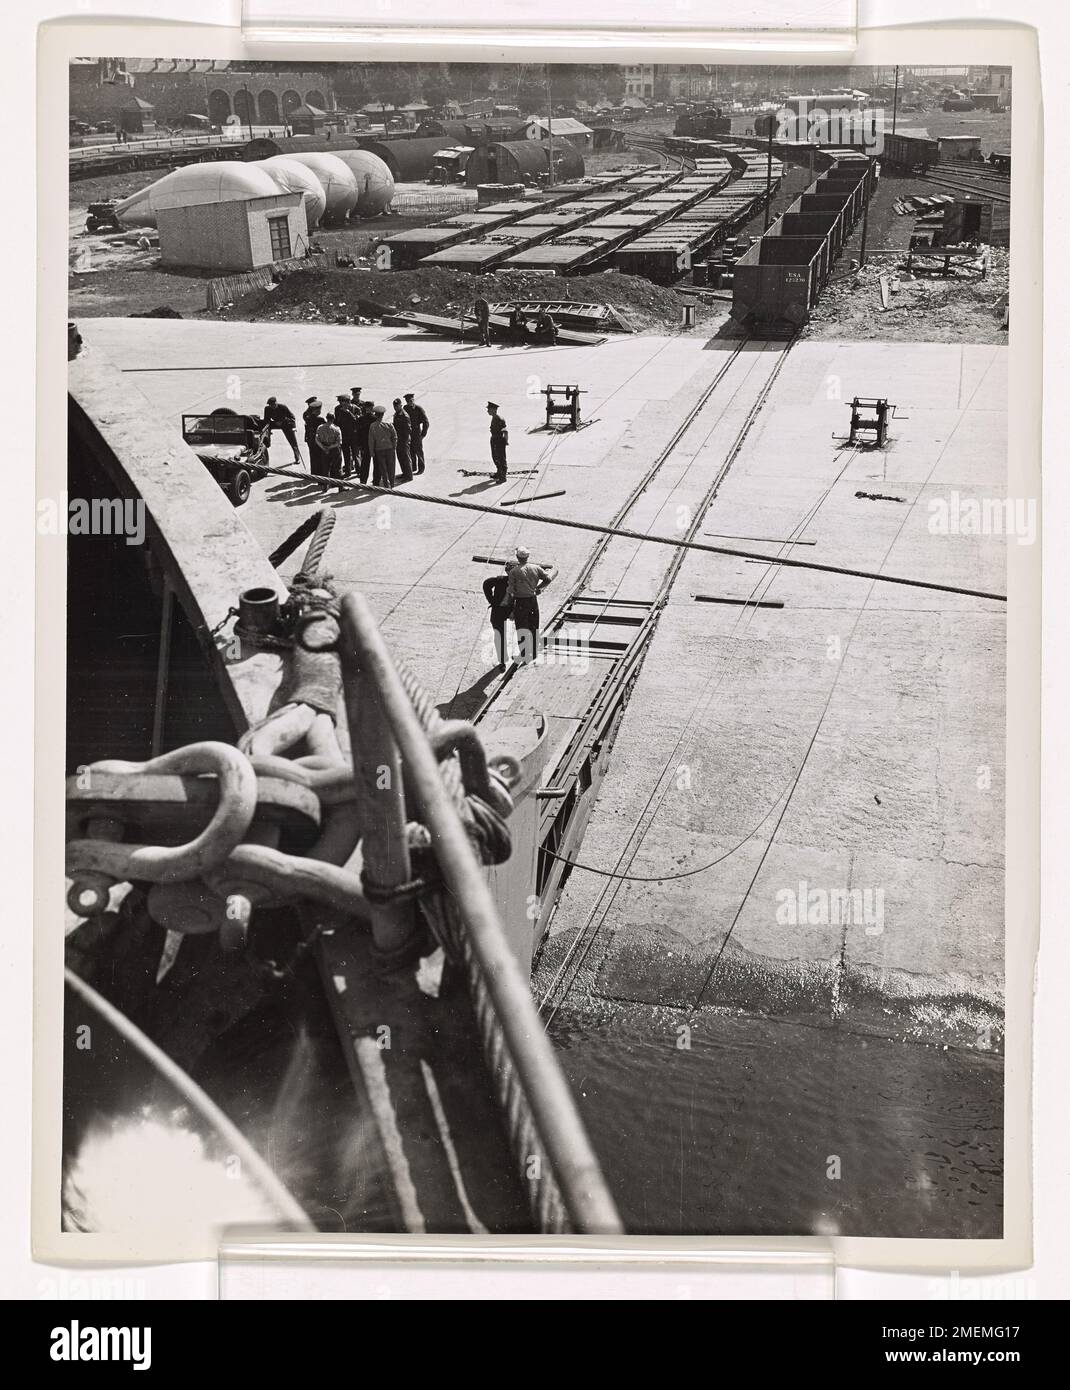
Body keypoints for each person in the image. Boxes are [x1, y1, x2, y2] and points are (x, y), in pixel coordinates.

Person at [506, 546, 557, 665]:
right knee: (533, 625)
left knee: (522, 628)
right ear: (528, 557)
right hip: (533, 601)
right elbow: (548, 579)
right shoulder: (536, 568)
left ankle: (524, 653)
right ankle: (533, 653)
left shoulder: (514, 572)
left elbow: (511, 591)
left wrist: (510, 609)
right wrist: (538, 588)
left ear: (517, 557)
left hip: (520, 603)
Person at [483, 559, 516, 669]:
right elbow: (486, 584)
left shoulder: (521, 583)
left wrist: (514, 611)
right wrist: (492, 601)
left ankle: (520, 654)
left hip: (513, 609)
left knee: (522, 630)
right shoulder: (500, 580)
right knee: (499, 635)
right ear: (507, 572)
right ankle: (502, 661)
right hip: (499, 611)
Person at [264, 396, 302, 465]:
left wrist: (293, 427)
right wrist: (271, 426)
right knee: (265, 427)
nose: (272, 406)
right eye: (271, 405)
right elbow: (266, 420)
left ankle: (297, 458)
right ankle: (268, 441)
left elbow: (292, 417)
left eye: (274, 405)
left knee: (293, 442)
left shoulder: (283, 407)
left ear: (276, 403)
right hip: (275, 423)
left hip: (285, 424)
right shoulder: (267, 409)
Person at [369, 407, 398, 488]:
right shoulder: (389, 424)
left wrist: (372, 452)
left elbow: (371, 440)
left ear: (376, 415)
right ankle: (392, 484)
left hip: (379, 450)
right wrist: (394, 446)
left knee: (383, 468)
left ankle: (386, 485)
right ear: (383, 415)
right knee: (391, 467)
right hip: (389, 448)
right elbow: (395, 436)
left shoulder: (373, 426)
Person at [316, 412, 344, 481]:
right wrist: (330, 447)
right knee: (338, 468)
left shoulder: (320, 427)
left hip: (324, 449)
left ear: (326, 418)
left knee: (326, 468)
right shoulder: (337, 428)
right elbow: (339, 442)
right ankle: (340, 486)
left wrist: (323, 447)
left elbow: (317, 439)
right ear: (334, 419)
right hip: (334, 450)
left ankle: (325, 486)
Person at [404, 393, 428, 474]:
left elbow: (426, 422)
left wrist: (423, 434)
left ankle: (421, 469)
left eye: (411, 400)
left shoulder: (418, 409)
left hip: (417, 433)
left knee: (418, 451)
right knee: (411, 451)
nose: (409, 402)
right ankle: (413, 468)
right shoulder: (405, 408)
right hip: (409, 433)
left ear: (413, 400)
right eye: (408, 401)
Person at [392, 398, 414, 483]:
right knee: (400, 457)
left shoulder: (404, 415)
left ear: (401, 405)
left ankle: (409, 476)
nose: (396, 408)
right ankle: (404, 473)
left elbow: (408, 429)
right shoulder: (397, 414)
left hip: (403, 440)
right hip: (398, 440)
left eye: (397, 406)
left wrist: (403, 439)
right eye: (394, 406)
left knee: (405, 457)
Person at [335, 393, 357, 475]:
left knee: (356, 454)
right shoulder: (337, 409)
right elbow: (337, 421)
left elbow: (356, 421)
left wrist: (348, 413)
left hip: (353, 435)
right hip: (343, 435)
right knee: (346, 454)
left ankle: (358, 470)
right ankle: (348, 471)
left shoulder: (355, 408)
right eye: (340, 402)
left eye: (342, 402)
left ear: (348, 402)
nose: (341, 404)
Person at [487, 401, 508, 483]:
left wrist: (506, 441)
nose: (487, 411)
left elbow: (505, 431)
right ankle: (499, 473)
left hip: (498, 440)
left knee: (501, 458)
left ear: (493, 410)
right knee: (495, 457)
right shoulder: (494, 417)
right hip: (495, 439)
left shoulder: (498, 418)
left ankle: (503, 477)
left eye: (489, 409)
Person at [355, 401, 375, 484]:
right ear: (372, 408)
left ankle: (363, 481)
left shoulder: (360, 419)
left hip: (364, 445)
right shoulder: (375, 418)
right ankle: (376, 480)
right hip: (374, 444)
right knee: (376, 463)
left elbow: (358, 433)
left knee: (364, 463)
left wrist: (359, 445)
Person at [303, 397, 324, 475]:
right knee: (319, 456)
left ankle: (314, 472)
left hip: (310, 438)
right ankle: (319, 473)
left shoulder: (308, 417)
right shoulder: (320, 419)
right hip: (318, 439)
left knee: (313, 455)